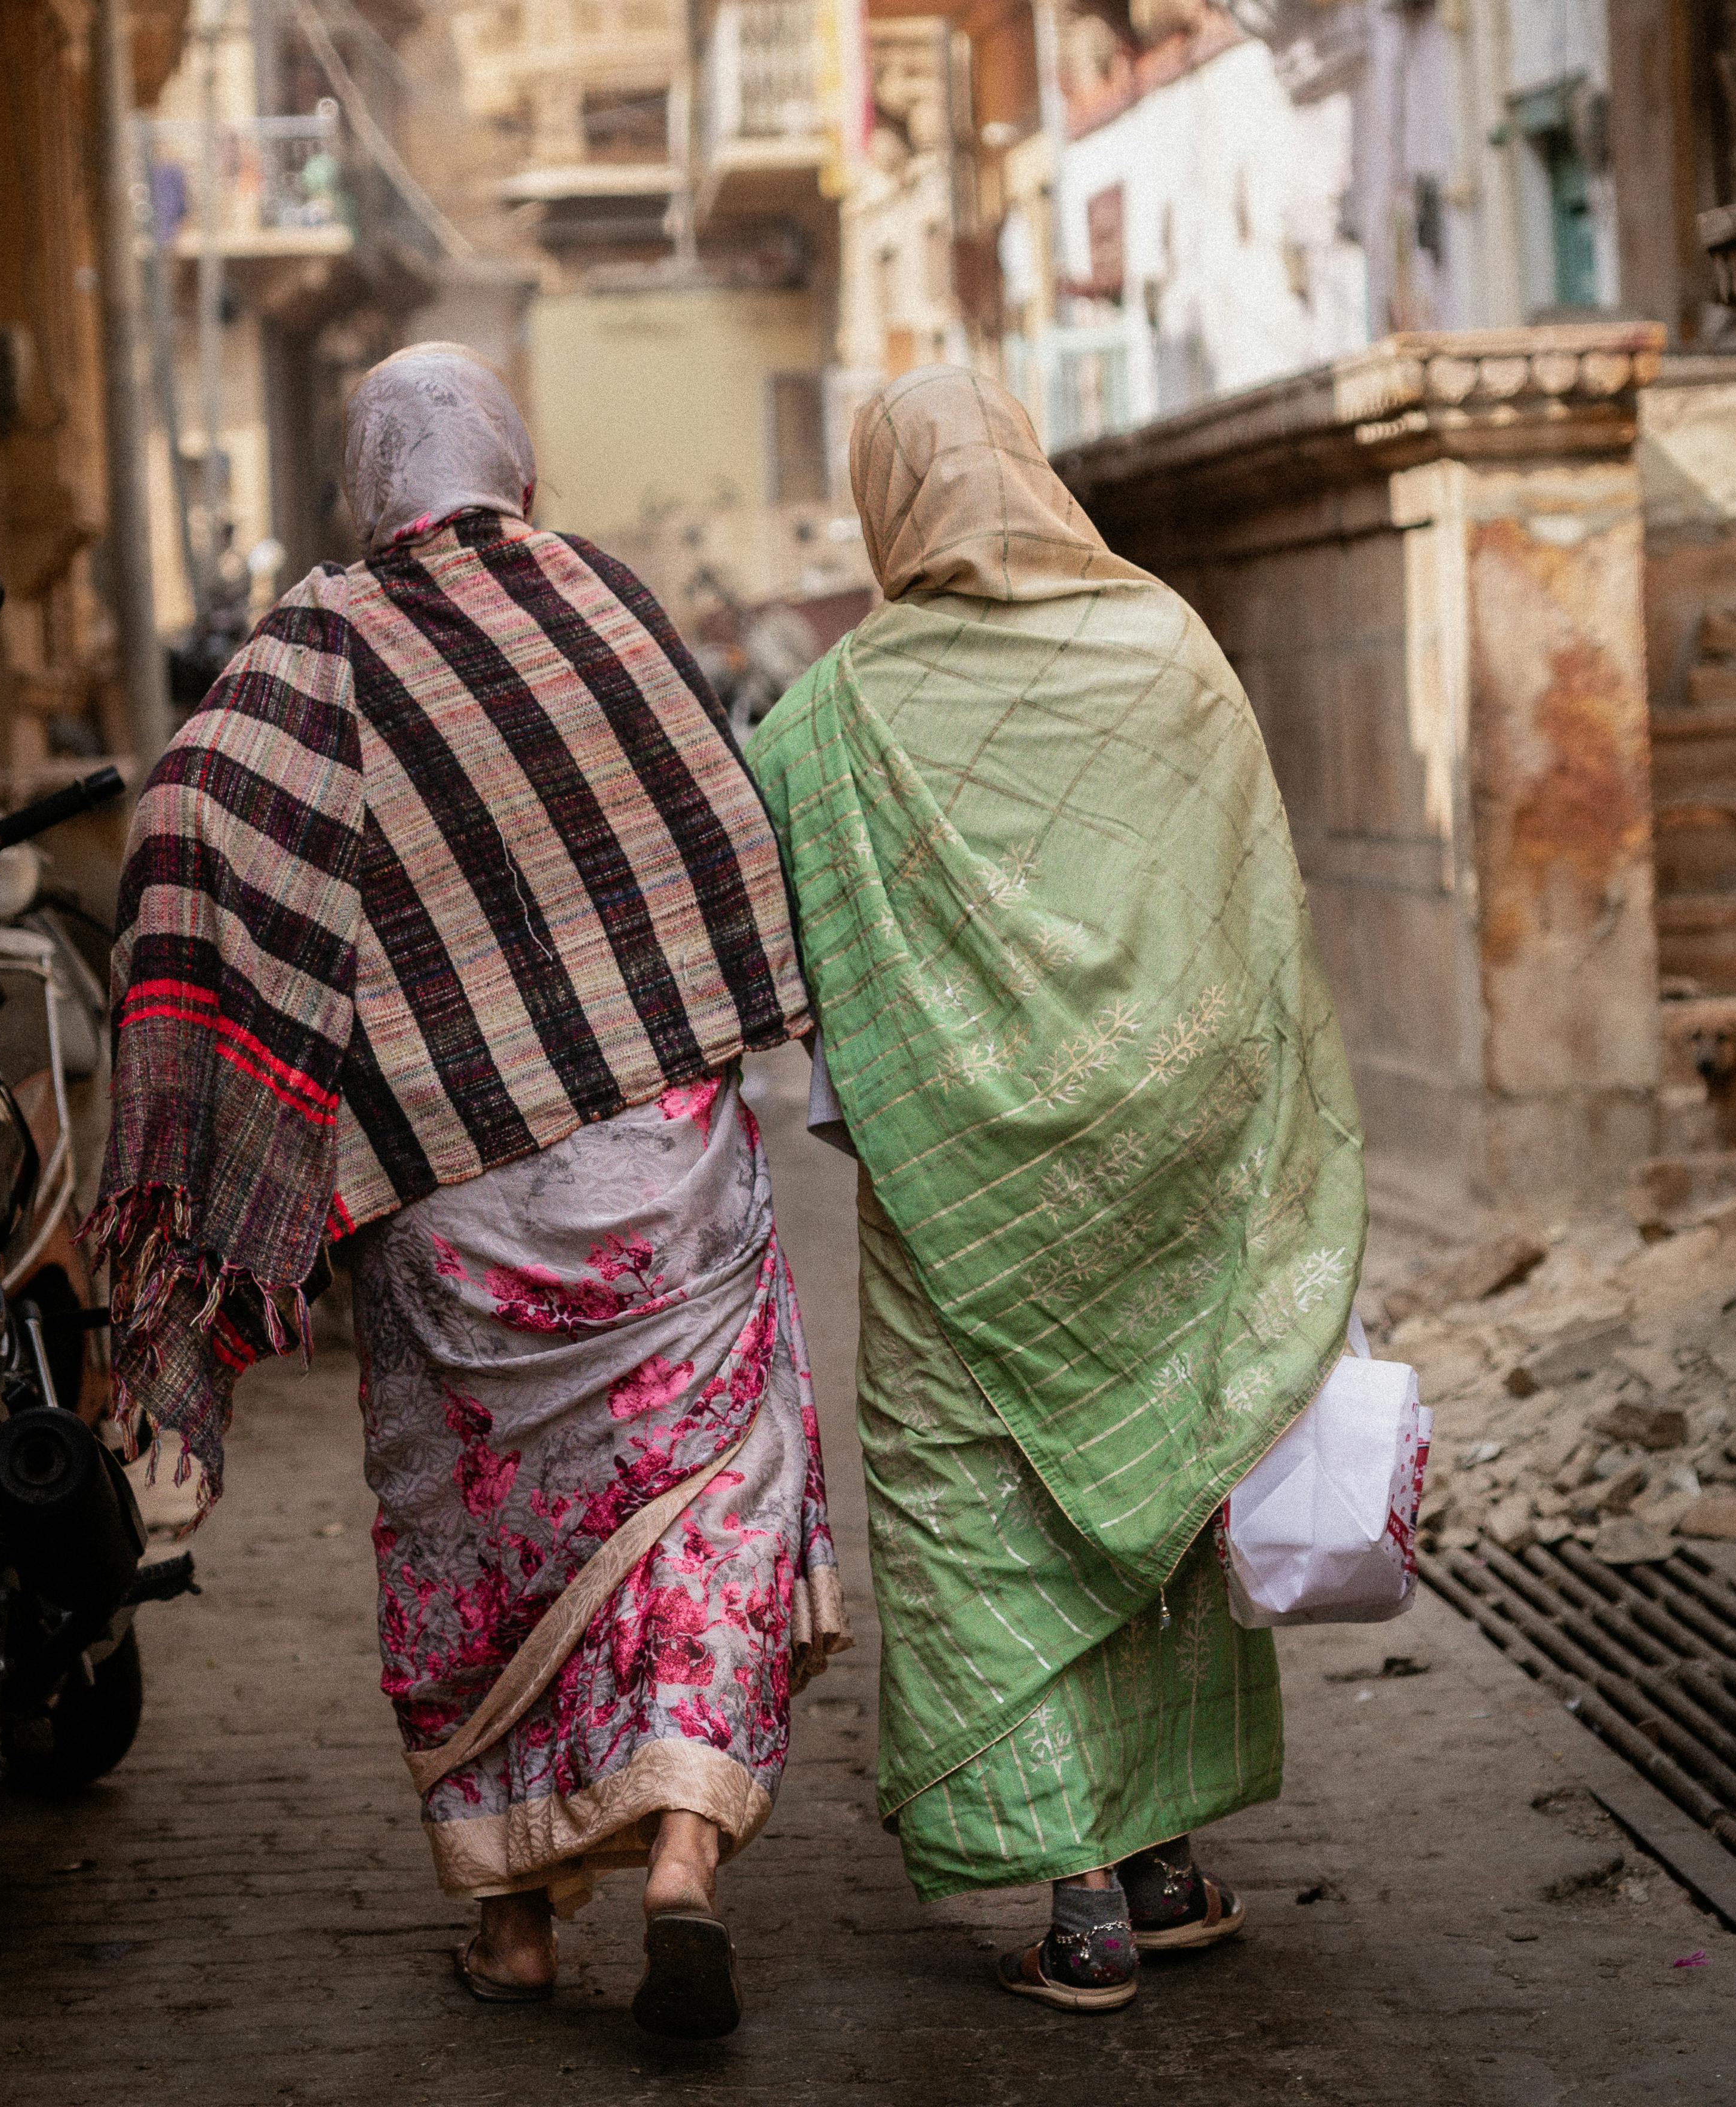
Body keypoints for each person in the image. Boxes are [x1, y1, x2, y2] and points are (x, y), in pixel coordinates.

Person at [91, 342, 847, 2042]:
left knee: (475, 1536)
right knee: (702, 1506)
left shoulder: (309, 653)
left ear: (367, 479)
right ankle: (677, 1863)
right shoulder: (601, 597)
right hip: (663, 1179)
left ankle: (511, 1926)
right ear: (510, 453)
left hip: (448, 1205)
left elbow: (184, 826)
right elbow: (716, 828)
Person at [745, 366, 1365, 2013]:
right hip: (1171, 1173)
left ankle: (1083, 1892)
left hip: (962, 1205)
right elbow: (1251, 898)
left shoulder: (831, 711)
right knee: (1154, 1481)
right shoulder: (1166, 648)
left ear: (889, 500)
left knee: (981, 1508)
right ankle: (1157, 1867)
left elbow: (768, 945)